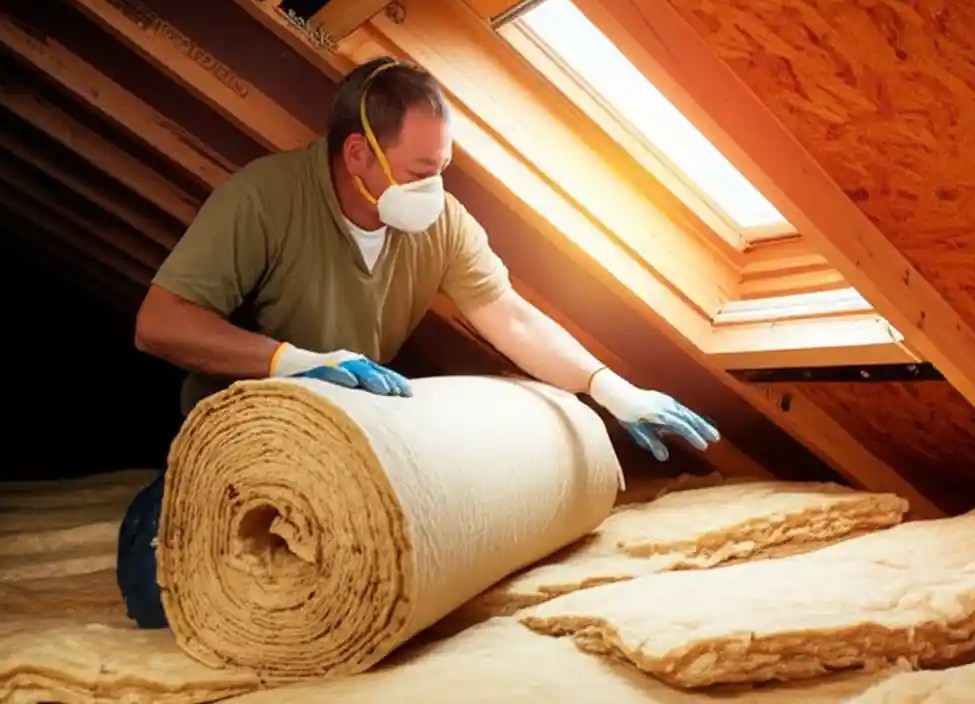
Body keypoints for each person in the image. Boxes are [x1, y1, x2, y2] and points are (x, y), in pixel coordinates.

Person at [116, 56, 721, 629]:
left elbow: (509, 316)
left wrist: (607, 387)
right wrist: (288, 361)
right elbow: (160, 323)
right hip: (246, 443)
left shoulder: (441, 222)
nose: (435, 188)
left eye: (443, 167)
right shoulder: (265, 199)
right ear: (357, 153)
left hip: (351, 443)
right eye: (420, 171)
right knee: (160, 595)